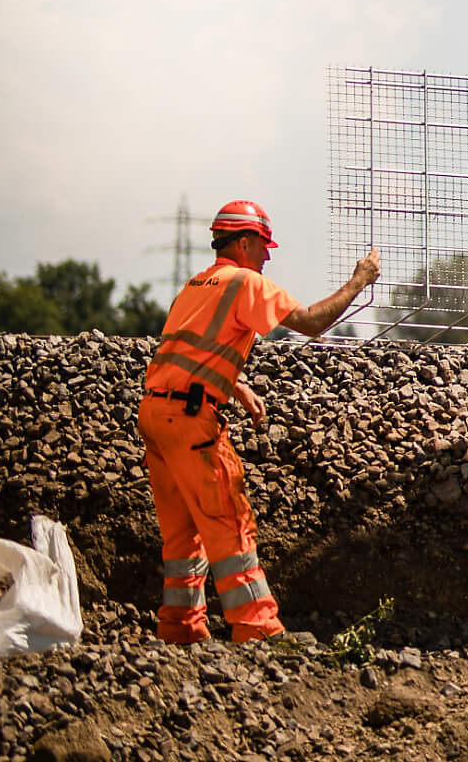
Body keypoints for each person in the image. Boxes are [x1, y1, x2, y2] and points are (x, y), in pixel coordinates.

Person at [140, 200, 379, 643]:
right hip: (191, 420)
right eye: (265, 246)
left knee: (182, 532)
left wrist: (234, 385)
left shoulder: (195, 285)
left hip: (156, 415)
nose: (268, 256)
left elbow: (186, 353)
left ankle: (180, 627)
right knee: (229, 524)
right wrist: (358, 281)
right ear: (246, 243)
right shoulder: (246, 283)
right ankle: (258, 628)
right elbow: (311, 322)